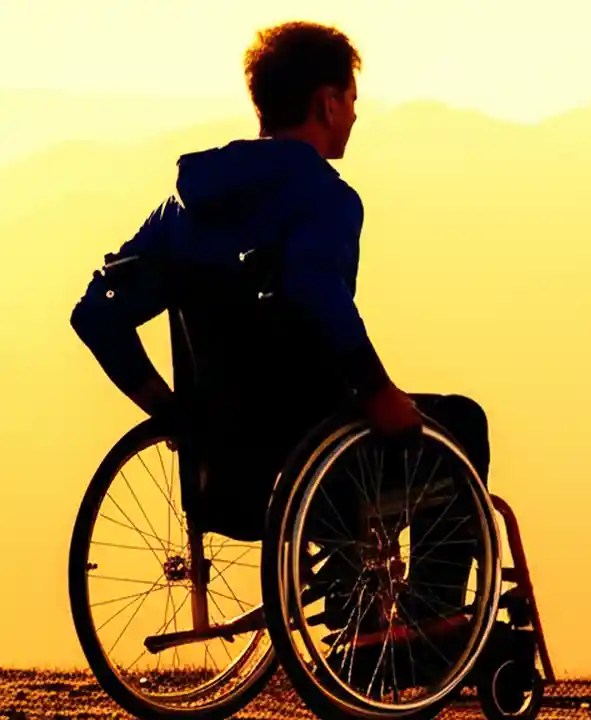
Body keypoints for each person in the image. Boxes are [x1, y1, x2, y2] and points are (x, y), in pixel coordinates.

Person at [69, 20, 486, 652]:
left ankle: (356, 599)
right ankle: (422, 625)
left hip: (227, 475)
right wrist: (379, 392)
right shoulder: (324, 200)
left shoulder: (183, 209)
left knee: (335, 424)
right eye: (350, 98)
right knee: (462, 422)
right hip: (312, 457)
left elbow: (95, 315)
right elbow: (319, 301)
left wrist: (175, 413)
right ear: (326, 102)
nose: (354, 112)